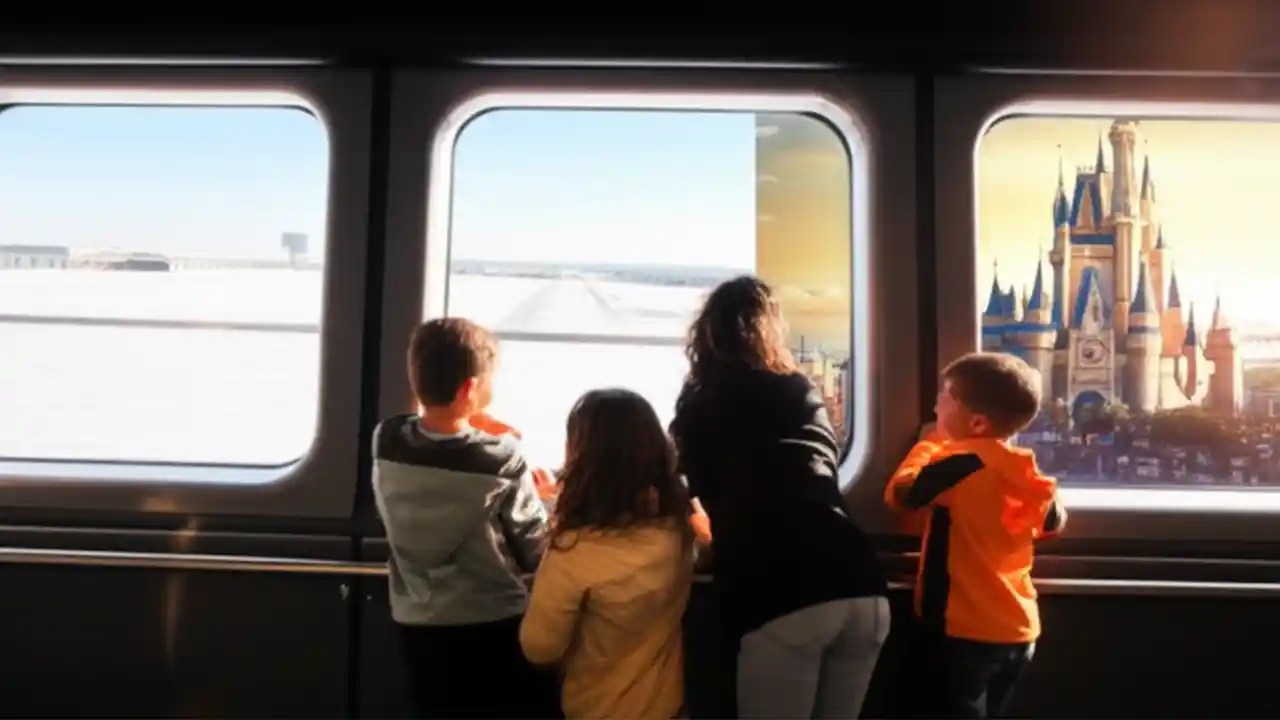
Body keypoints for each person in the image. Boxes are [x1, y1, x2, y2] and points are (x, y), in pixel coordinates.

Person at [669, 275, 889, 719]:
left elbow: (686, 486)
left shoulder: (703, 399)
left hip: (782, 588)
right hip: (862, 583)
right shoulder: (801, 390)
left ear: (705, 335)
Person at [372, 317, 559, 718]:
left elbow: (434, 440)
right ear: (471, 388)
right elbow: (534, 549)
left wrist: (473, 422)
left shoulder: (386, 441)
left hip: (418, 625)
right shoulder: (502, 459)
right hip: (492, 623)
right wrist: (541, 499)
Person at [886, 351, 1067, 718]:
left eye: (946, 397)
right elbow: (1053, 522)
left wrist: (929, 445)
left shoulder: (958, 466)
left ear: (978, 423)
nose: (937, 405)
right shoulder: (1026, 471)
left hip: (962, 630)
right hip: (1018, 629)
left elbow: (901, 494)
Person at [520, 388, 695, 719]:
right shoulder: (677, 532)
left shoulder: (576, 551)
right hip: (667, 706)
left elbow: (540, 647)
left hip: (599, 708)